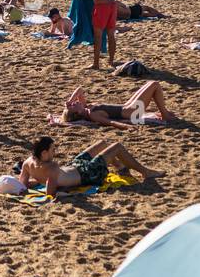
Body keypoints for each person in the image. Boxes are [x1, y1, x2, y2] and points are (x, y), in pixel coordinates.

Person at [20, 136, 161, 196]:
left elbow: (22, 185)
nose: (55, 152)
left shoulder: (27, 163)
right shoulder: (51, 167)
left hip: (75, 165)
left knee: (102, 143)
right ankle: (145, 172)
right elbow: (50, 193)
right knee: (117, 147)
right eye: (52, 150)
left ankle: (122, 169)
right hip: (88, 173)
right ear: (44, 153)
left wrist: (37, 181)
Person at [63, 81, 175, 126]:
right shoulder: (92, 115)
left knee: (151, 83)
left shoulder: (86, 107)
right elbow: (111, 122)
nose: (74, 103)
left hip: (128, 106)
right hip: (132, 112)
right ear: (78, 112)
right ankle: (164, 114)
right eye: (73, 106)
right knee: (154, 85)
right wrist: (126, 127)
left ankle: (163, 112)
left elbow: (80, 90)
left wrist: (70, 100)